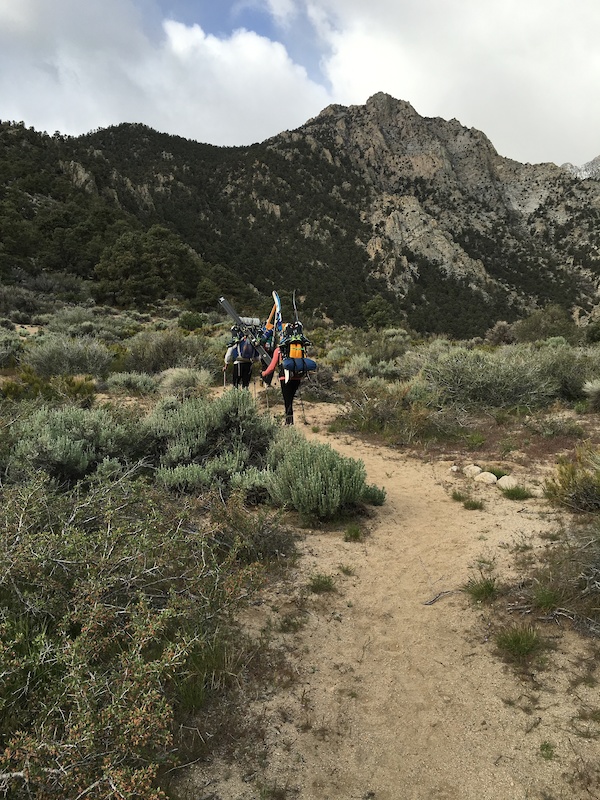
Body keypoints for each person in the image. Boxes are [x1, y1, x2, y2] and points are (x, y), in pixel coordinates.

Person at [261, 324, 304, 424]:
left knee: (287, 400)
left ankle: (289, 421)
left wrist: (264, 373)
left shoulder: (279, 350)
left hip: (284, 377)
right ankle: (290, 420)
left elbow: (272, 367)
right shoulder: (300, 348)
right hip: (297, 377)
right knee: (291, 399)